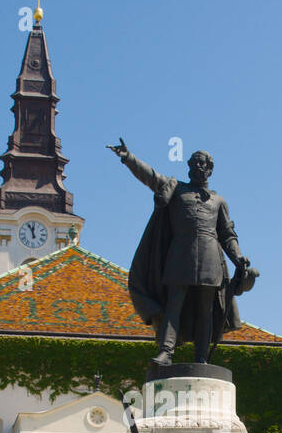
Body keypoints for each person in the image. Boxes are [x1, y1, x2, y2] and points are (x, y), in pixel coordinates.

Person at [108, 138, 254, 366]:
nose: (198, 167)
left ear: (210, 169)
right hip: (179, 257)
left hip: (210, 260)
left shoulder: (219, 201)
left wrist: (238, 257)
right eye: (194, 163)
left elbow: (227, 234)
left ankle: (201, 358)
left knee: (205, 310)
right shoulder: (176, 189)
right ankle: (166, 352)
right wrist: (128, 158)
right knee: (173, 306)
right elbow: (151, 177)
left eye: (202, 164)